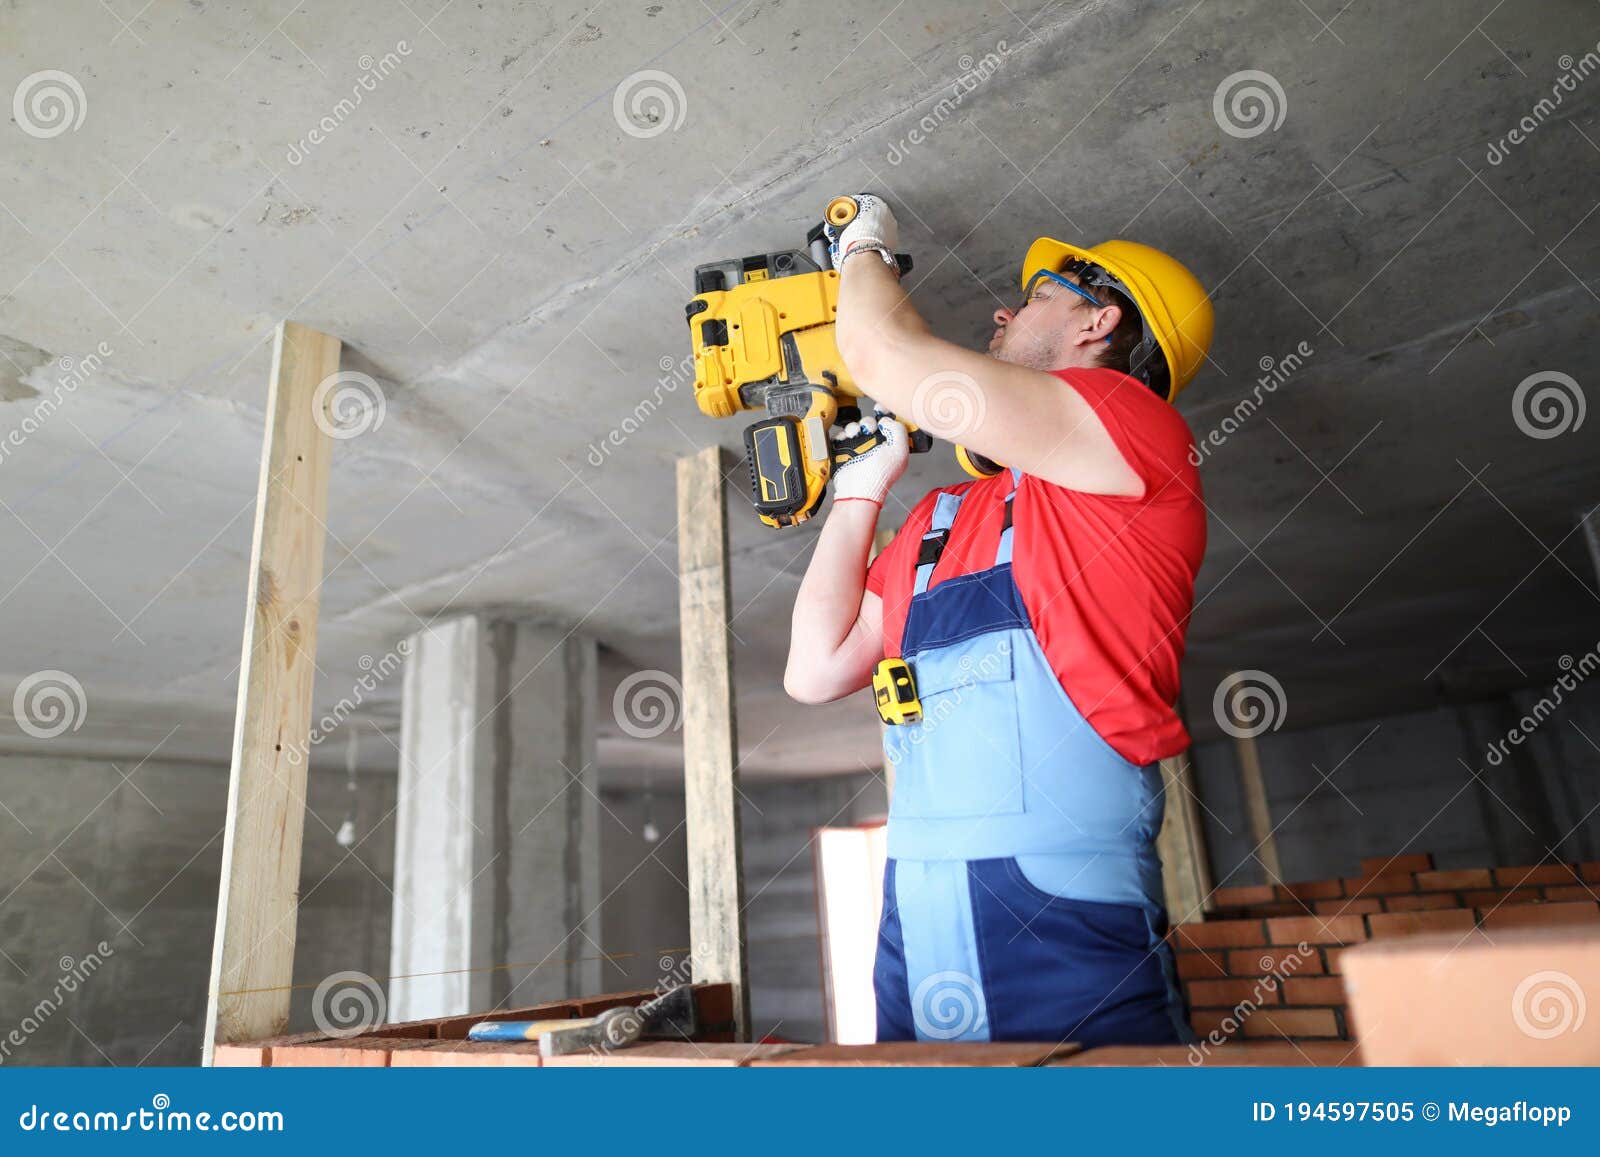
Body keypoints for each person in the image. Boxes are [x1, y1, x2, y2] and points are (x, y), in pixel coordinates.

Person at [783, 194, 1214, 1046]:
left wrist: (863, 242)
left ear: (1101, 319)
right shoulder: (942, 517)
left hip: (1064, 907)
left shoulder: (1136, 430)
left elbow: (880, 350)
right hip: (915, 914)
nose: (1003, 309)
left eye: (1038, 294)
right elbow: (816, 667)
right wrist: (861, 492)